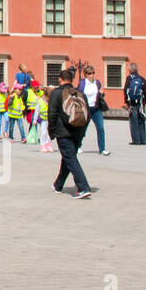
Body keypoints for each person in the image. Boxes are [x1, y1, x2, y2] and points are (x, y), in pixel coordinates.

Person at [49, 68, 92, 199]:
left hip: (64, 132)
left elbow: (52, 114)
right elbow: (88, 113)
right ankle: (58, 184)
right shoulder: (79, 93)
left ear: (60, 79)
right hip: (78, 130)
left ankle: (83, 187)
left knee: (70, 159)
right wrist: (83, 131)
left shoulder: (56, 93)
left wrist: (51, 131)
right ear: (72, 80)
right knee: (68, 157)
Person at [77, 65, 110, 155]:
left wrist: (101, 94)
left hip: (96, 109)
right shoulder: (82, 84)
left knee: (100, 128)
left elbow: (100, 95)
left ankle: (102, 149)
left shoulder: (97, 83)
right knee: (83, 129)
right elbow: (78, 95)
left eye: (93, 73)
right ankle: (78, 146)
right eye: (89, 73)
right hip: (86, 109)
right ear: (85, 74)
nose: (91, 75)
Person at [123, 63, 146, 145]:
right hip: (141, 103)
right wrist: (144, 102)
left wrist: (127, 102)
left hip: (132, 104)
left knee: (133, 121)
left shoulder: (129, 78)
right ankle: (143, 140)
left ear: (130, 70)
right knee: (141, 121)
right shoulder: (142, 79)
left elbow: (126, 91)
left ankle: (136, 140)